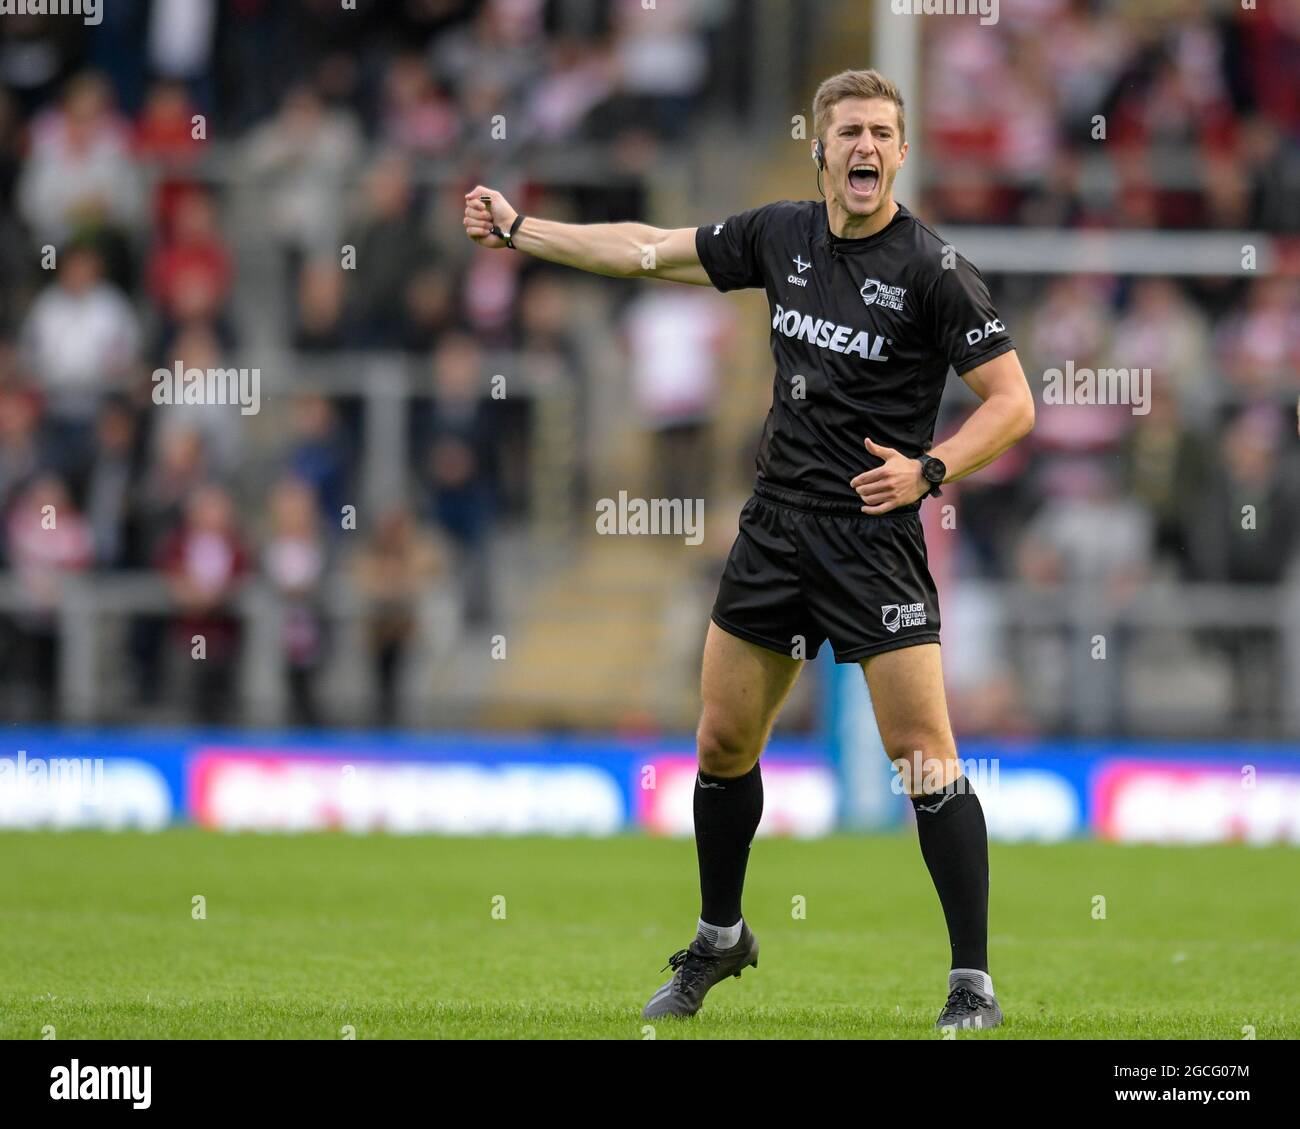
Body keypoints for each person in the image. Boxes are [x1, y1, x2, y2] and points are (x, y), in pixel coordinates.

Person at [463, 69, 1035, 1030]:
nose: (864, 146)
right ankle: (720, 937)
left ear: (901, 151)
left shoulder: (936, 271)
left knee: (924, 757)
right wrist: (526, 231)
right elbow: (646, 251)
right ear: (820, 148)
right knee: (723, 743)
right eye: (847, 130)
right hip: (774, 528)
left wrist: (931, 471)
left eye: (881, 133)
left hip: (874, 536)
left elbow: (1015, 404)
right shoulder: (781, 234)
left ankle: (970, 982)